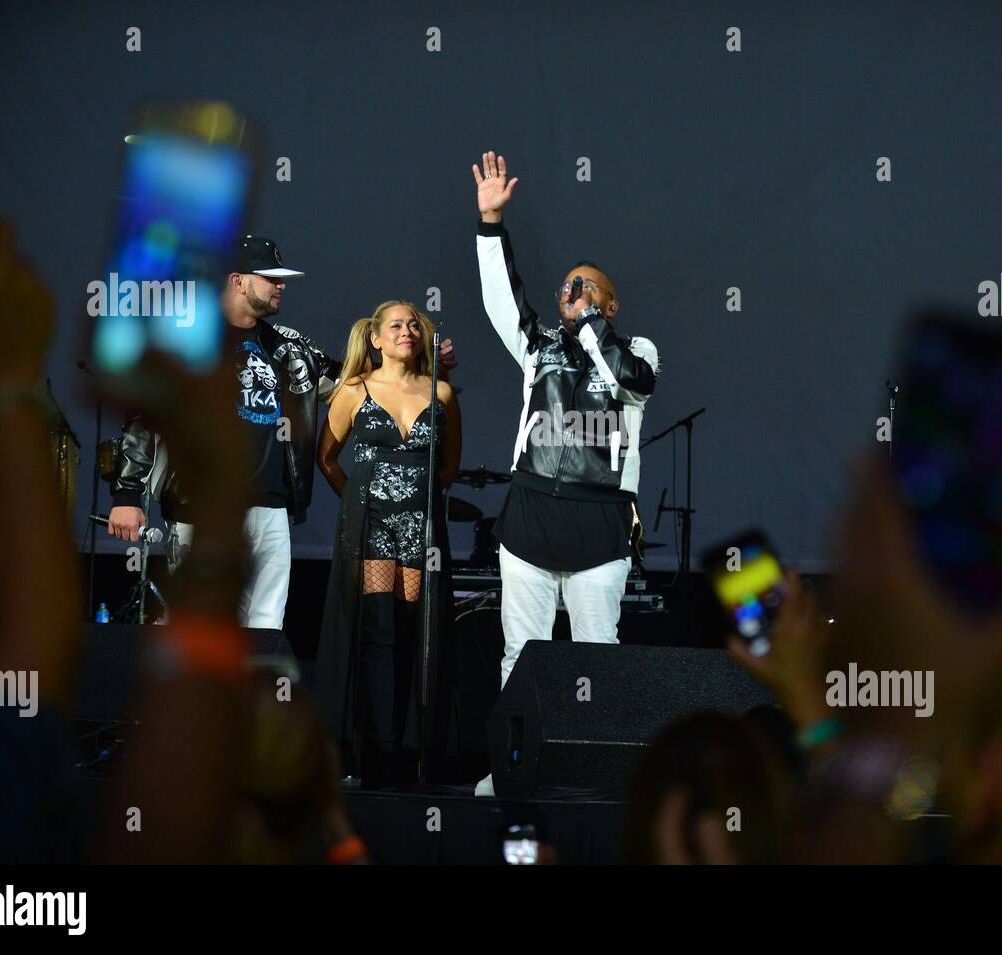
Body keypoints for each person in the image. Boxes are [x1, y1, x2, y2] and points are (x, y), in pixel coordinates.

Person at [470, 151, 660, 796]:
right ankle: (513, 770)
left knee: (593, 652)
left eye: (586, 288)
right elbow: (503, 299)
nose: (571, 294)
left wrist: (588, 329)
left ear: (609, 302)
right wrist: (490, 224)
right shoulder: (537, 345)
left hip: (598, 518)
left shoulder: (635, 351)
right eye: (566, 287)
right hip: (531, 513)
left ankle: (592, 770)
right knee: (519, 654)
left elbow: (630, 382)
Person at [107, 235, 339, 629]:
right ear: (237, 280)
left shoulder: (289, 346)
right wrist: (127, 494)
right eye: (270, 278)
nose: (281, 286)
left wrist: (426, 364)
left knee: (265, 627)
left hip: (271, 509)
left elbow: (351, 379)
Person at [315, 302, 461, 787]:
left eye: (414, 323)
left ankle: (409, 746)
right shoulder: (354, 389)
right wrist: (358, 503)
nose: (408, 329)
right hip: (371, 525)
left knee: (412, 629)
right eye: (396, 324)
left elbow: (449, 468)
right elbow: (328, 457)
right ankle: (376, 748)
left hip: (418, 526)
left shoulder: (440, 391)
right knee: (377, 628)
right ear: (375, 338)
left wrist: (416, 497)